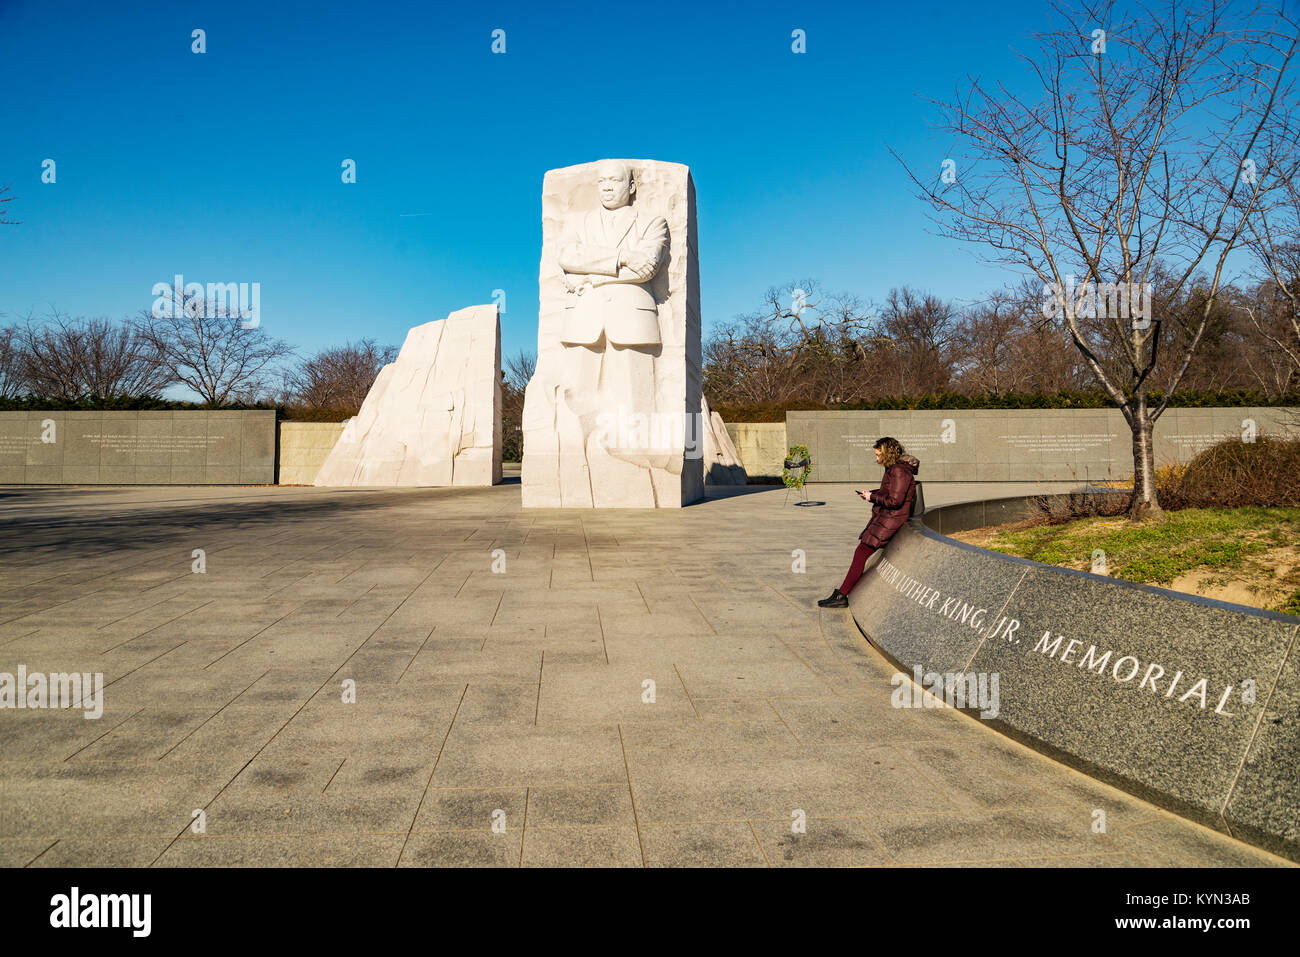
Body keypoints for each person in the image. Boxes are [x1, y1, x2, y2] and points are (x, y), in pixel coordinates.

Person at [818, 437, 920, 608]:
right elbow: (887, 492)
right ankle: (843, 594)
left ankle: (842, 595)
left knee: (861, 553)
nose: (876, 458)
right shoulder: (893, 469)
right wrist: (870, 493)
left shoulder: (899, 471)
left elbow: (895, 501)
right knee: (863, 553)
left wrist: (872, 497)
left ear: (887, 453)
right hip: (886, 518)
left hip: (891, 520)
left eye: (878, 454)